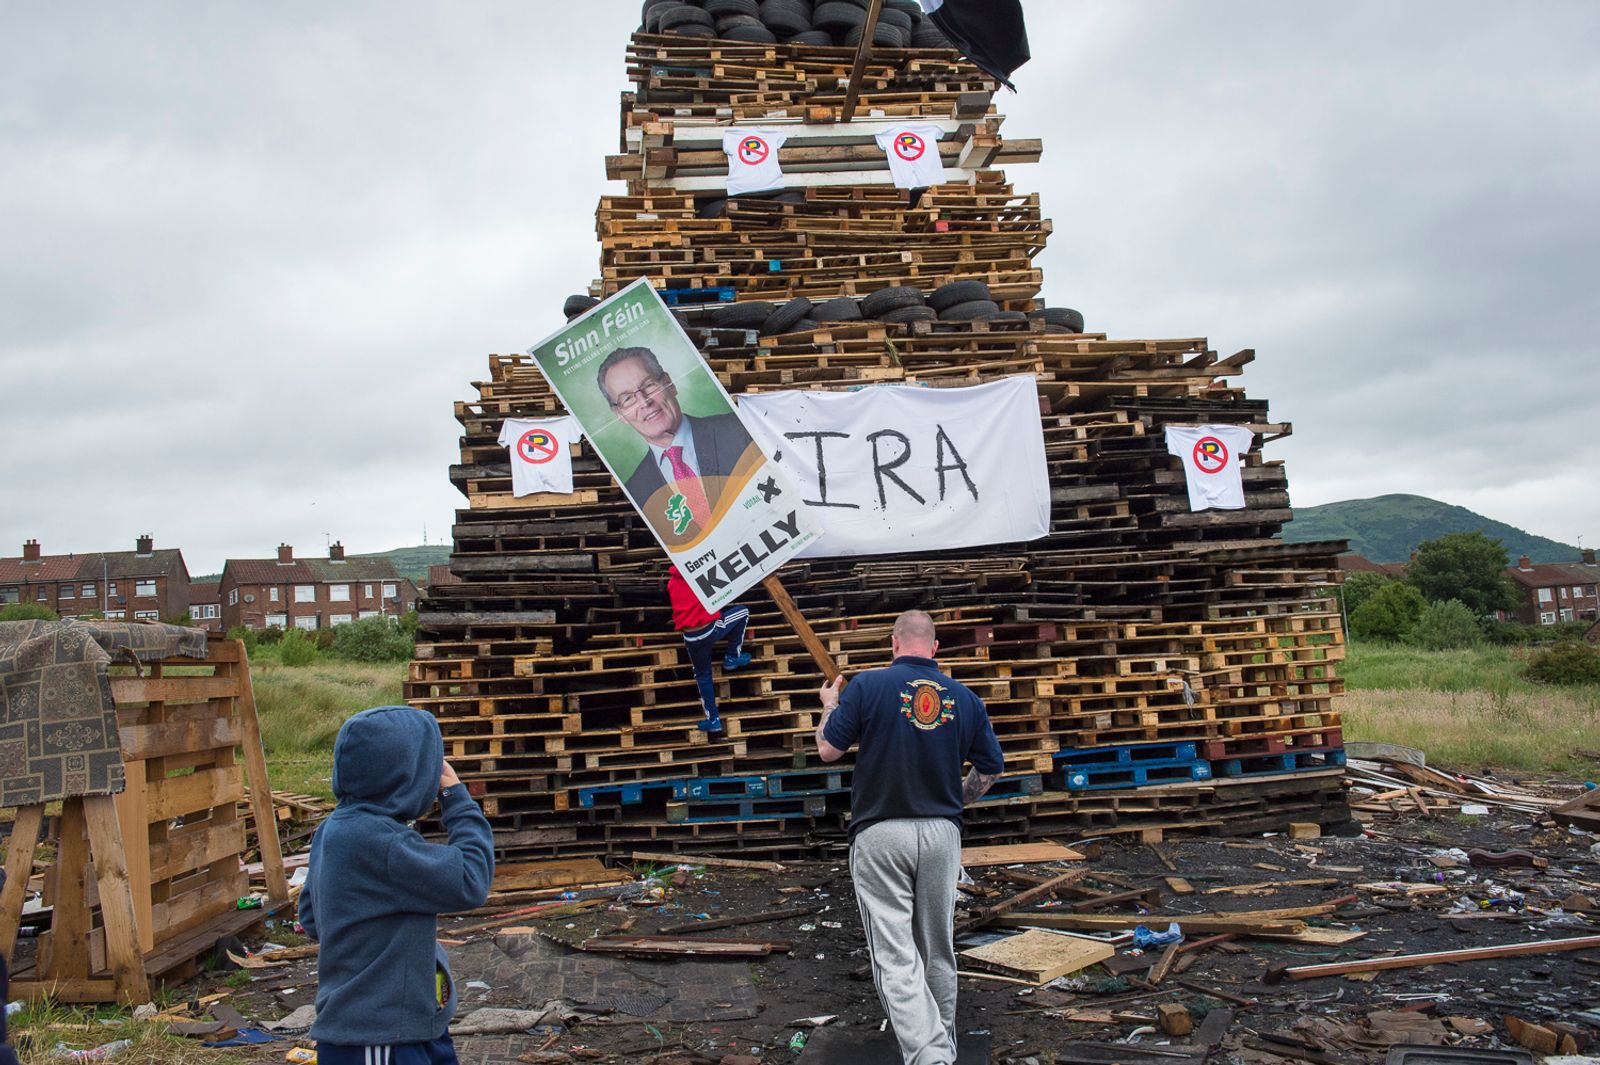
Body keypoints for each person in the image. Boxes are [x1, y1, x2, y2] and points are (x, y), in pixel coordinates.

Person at [814, 610, 1004, 1065]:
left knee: (896, 957)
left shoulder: (866, 686)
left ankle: (930, 1057)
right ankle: (944, 1051)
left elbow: (827, 750)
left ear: (894, 644)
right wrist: (955, 799)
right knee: (937, 951)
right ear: (934, 648)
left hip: (881, 832)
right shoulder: (965, 698)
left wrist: (829, 705)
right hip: (942, 833)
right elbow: (991, 768)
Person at [299, 705, 495, 1065]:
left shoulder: (333, 829)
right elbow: (471, 878)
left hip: (407, 1027)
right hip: (379, 1037)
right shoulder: (382, 842)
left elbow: (311, 917)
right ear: (409, 776)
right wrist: (456, 798)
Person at [596, 346, 760, 536]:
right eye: (627, 399)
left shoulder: (738, 430)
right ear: (620, 414)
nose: (644, 402)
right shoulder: (636, 489)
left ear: (669, 383)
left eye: (649, 386)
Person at [667, 564, 752, 732]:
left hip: (690, 637)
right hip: (709, 630)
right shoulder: (700, 576)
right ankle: (732, 656)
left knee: (702, 676)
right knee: (743, 612)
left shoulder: (671, 583)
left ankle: (713, 720)